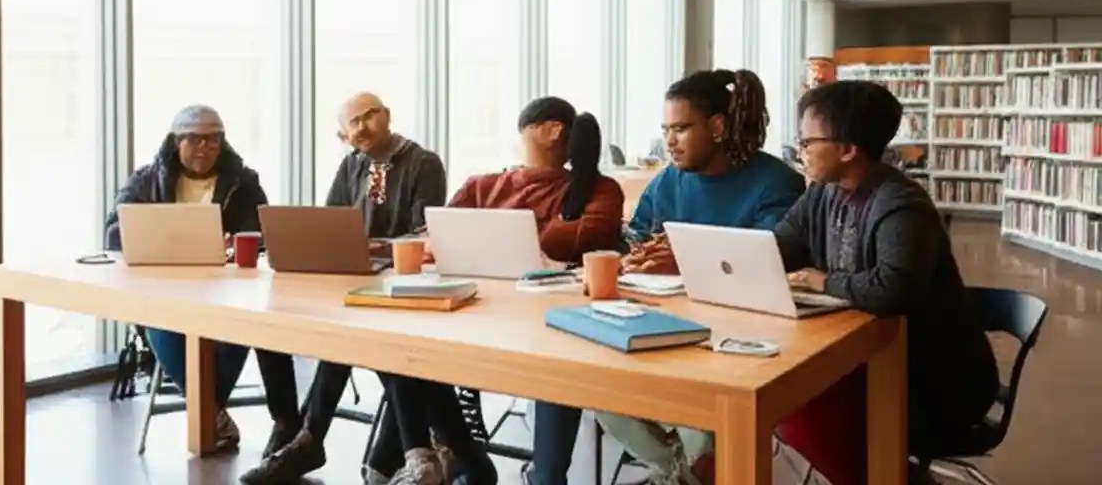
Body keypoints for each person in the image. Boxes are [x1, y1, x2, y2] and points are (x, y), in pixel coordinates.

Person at [529, 71, 804, 485]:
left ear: (717, 126)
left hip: (736, 339)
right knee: (580, 367)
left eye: (681, 129)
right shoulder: (669, 180)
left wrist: (683, 261)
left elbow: (768, 260)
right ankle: (679, 474)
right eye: (666, 130)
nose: (670, 141)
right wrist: (627, 252)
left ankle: (684, 473)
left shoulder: (776, 183)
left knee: (697, 415)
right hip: (658, 325)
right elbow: (635, 238)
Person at [381, 96, 624, 485]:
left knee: (555, 357)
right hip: (474, 309)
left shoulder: (598, 188)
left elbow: (592, 234)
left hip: (546, 320)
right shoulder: (483, 184)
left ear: (551, 130)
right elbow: (437, 235)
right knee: (402, 341)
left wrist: (523, 234)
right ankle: (447, 456)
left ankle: (534, 474)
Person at [774, 81, 998, 485]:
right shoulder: (822, 194)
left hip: (933, 379)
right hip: (864, 361)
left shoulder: (901, 204)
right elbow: (782, 244)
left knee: (798, 410)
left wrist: (824, 282)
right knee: (788, 395)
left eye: (807, 142)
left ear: (847, 149)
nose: (799, 151)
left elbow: (893, 290)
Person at [241, 93, 448, 485]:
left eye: (369, 116)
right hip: (354, 278)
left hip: (402, 281)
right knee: (334, 333)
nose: (363, 126)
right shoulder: (351, 165)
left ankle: (311, 439)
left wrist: (376, 248)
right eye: (353, 123)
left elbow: (423, 232)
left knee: (356, 338)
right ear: (343, 136)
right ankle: (326, 440)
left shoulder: (423, 162)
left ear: (387, 115)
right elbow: (332, 222)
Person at [104, 105, 299, 455]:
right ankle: (211, 412)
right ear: (176, 142)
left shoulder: (243, 180)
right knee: (160, 321)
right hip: (165, 289)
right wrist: (154, 237)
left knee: (253, 323)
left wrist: (234, 243)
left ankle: (221, 413)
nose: (205, 147)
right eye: (195, 139)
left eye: (213, 140)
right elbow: (113, 233)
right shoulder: (146, 179)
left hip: (228, 290)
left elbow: (262, 233)